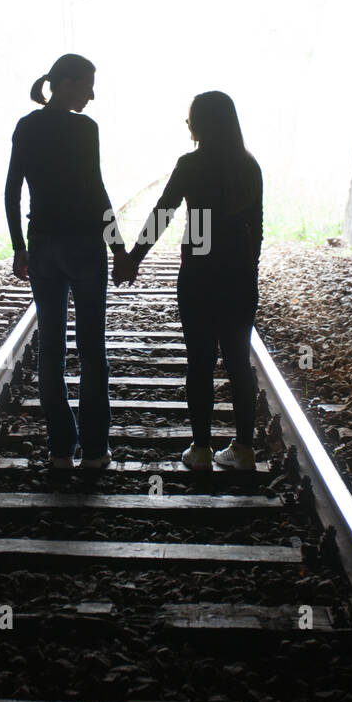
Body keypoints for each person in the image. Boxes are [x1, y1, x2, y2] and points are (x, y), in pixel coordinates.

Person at [119, 91, 263, 470]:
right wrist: (251, 272)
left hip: (199, 269)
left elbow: (163, 212)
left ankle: (200, 450)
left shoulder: (191, 164)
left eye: (191, 118)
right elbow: (257, 228)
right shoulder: (249, 167)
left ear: (203, 123)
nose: (188, 125)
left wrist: (134, 257)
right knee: (237, 360)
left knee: (200, 359)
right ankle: (244, 449)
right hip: (238, 272)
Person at [4, 54, 135, 469]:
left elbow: (12, 192)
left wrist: (19, 247)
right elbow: (96, 191)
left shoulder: (27, 126)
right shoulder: (85, 129)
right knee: (92, 349)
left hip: (43, 245)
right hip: (83, 246)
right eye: (86, 86)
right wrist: (118, 250)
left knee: (51, 348)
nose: (91, 95)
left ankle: (61, 448)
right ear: (64, 83)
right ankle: (95, 451)